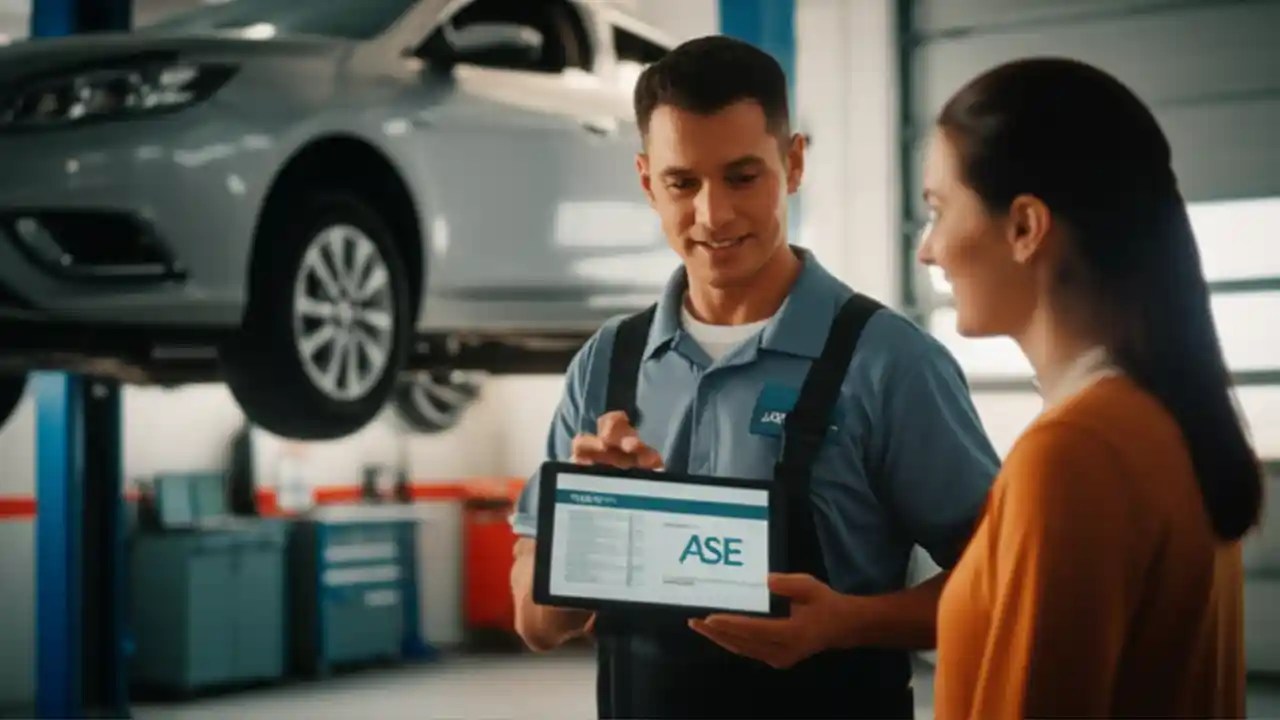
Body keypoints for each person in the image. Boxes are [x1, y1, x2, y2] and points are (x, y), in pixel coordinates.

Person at [508, 35, 1000, 719]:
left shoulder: (888, 363)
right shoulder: (604, 366)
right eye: (683, 183)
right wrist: (589, 524)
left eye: (743, 177)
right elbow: (537, 624)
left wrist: (846, 622)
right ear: (648, 181)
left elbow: (1005, 585)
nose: (714, 215)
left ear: (793, 163)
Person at [913, 57, 1263, 718]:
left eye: (937, 210)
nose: (926, 251)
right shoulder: (1165, 419)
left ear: (1024, 227)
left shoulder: (1073, 455)